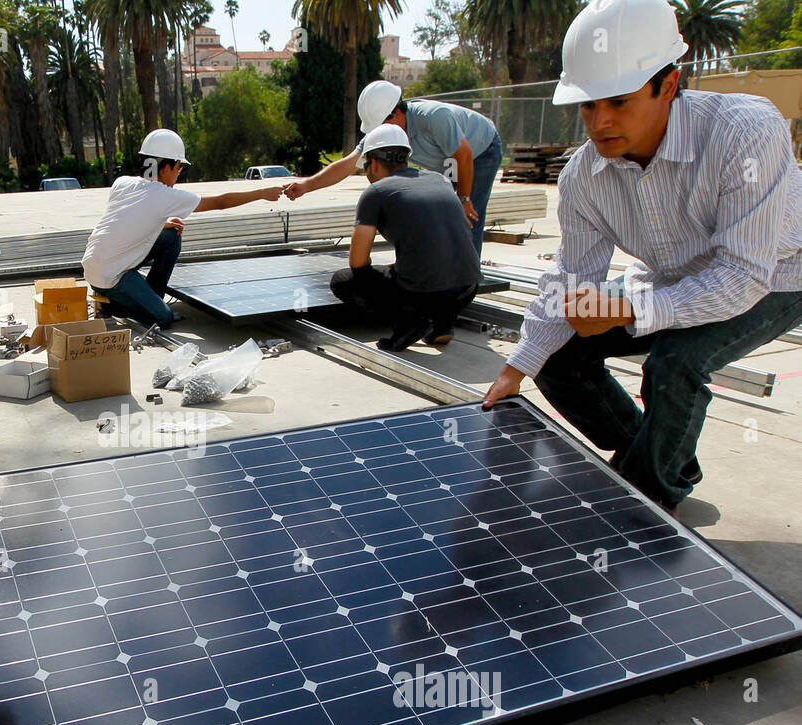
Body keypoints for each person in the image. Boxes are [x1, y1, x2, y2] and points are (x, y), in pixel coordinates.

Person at [481, 0, 802, 512]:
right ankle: (650, 452)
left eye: (619, 101)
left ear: (668, 86)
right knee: (558, 357)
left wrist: (633, 308)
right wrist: (517, 367)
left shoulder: (744, 133)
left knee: (675, 363)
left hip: (779, 271)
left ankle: (648, 502)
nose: (600, 122)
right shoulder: (584, 177)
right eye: (588, 105)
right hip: (674, 276)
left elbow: (742, 274)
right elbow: (570, 280)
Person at [83, 129, 286, 328]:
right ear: (165, 168)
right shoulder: (166, 196)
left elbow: (126, 219)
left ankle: (150, 297)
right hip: (113, 276)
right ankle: (112, 305)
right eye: (178, 168)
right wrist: (261, 193)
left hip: (93, 267)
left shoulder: (122, 183)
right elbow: (220, 202)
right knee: (163, 318)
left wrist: (161, 224)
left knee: (171, 236)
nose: (178, 174)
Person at [285, 80, 502, 254]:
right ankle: (431, 269)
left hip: (480, 152)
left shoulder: (434, 118)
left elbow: (463, 155)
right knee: (439, 214)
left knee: (467, 216)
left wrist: (464, 199)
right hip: (447, 160)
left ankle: (468, 279)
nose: (379, 133)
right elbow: (349, 164)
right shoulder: (385, 132)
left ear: (397, 113)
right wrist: (307, 185)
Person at [329, 124, 482, 352]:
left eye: (366, 167)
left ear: (375, 163)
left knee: (345, 280)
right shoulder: (440, 180)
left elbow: (358, 262)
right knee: (416, 273)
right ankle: (442, 324)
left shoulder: (376, 192)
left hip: (425, 292)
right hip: (467, 288)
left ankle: (409, 323)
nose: (367, 174)